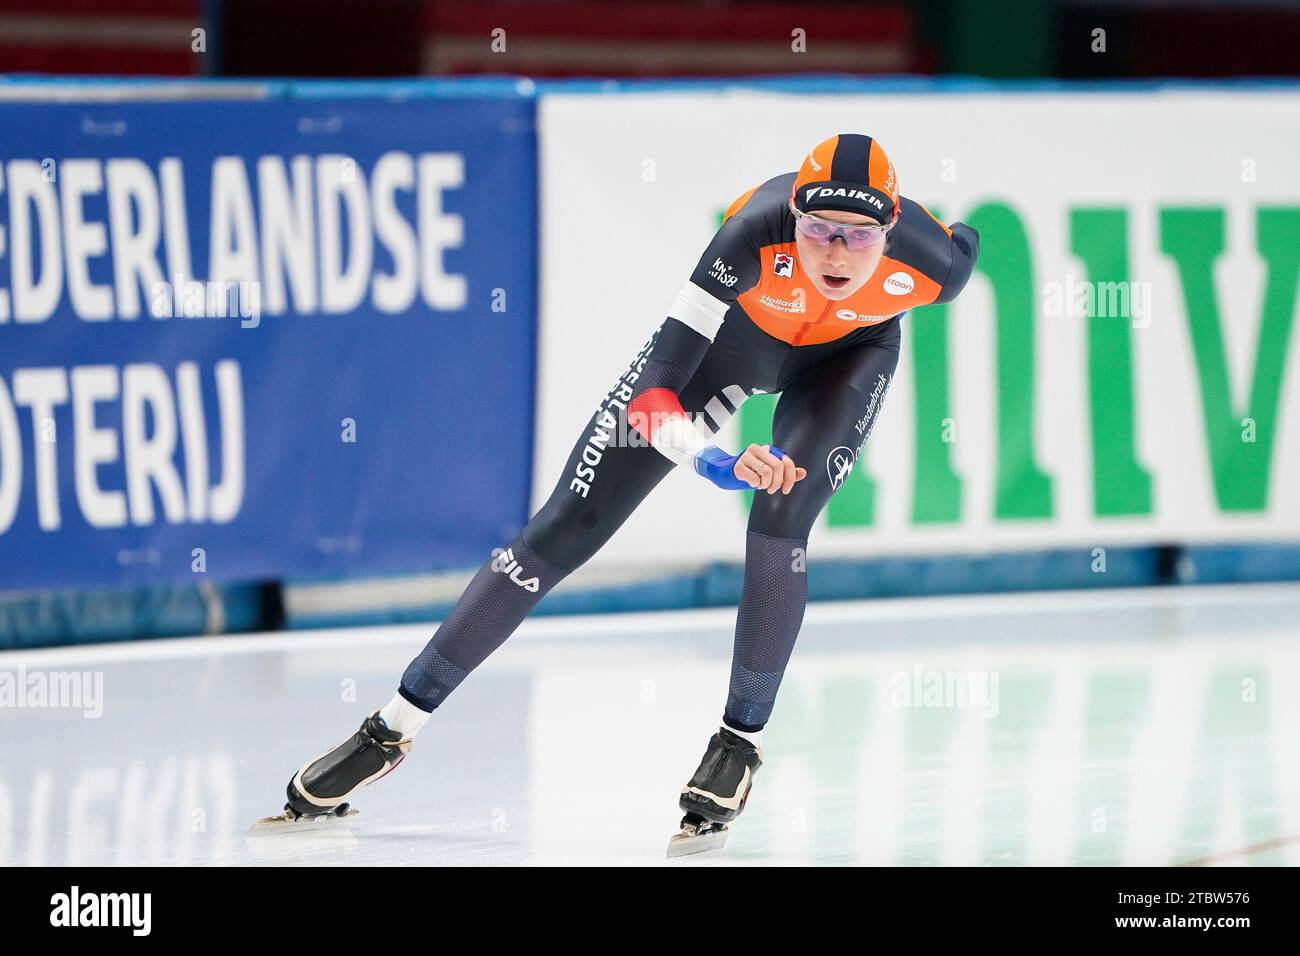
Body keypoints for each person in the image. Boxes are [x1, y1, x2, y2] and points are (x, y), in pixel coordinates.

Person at [269, 133, 980, 842]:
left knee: (781, 514)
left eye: (858, 238)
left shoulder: (934, 264)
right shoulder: (746, 238)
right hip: (729, 348)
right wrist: (718, 462)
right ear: (793, 218)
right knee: (562, 529)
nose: (834, 252)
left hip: (846, 362)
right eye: (819, 229)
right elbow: (651, 404)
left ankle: (736, 745)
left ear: (890, 231)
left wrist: (748, 474)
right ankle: (389, 732)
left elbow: (963, 241)